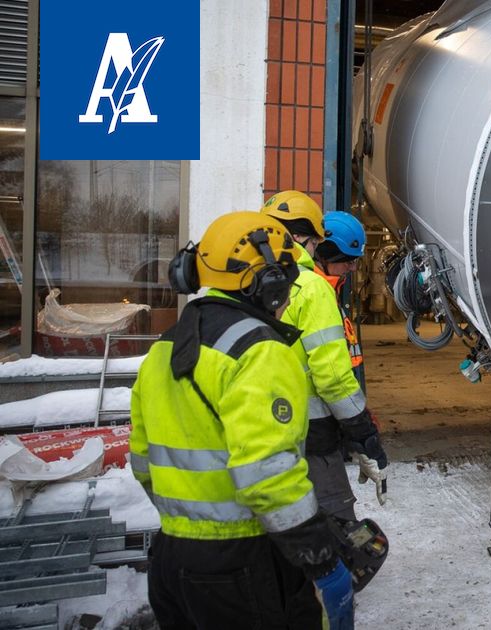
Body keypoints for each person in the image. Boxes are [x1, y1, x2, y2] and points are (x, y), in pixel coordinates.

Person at [130, 212, 354, 629]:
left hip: (170, 560)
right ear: (267, 284)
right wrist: (319, 555)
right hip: (241, 566)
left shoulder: (165, 349)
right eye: (288, 276)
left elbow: (142, 461)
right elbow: (268, 475)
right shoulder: (261, 352)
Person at [261, 191, 388, 521]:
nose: (350, 269)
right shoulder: (312, 290)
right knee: (335, 521)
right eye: (347, 260)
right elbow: (331, 376)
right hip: (312, 435)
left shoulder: (253, 284)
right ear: (307, 241)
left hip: (267, 430)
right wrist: (362, 434)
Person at [311, 211, 367, 392]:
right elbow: (330, 371)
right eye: (349, 261)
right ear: (325, 257)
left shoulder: (328, 288)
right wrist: (355, 416)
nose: (353, 268)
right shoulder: (315, 293)